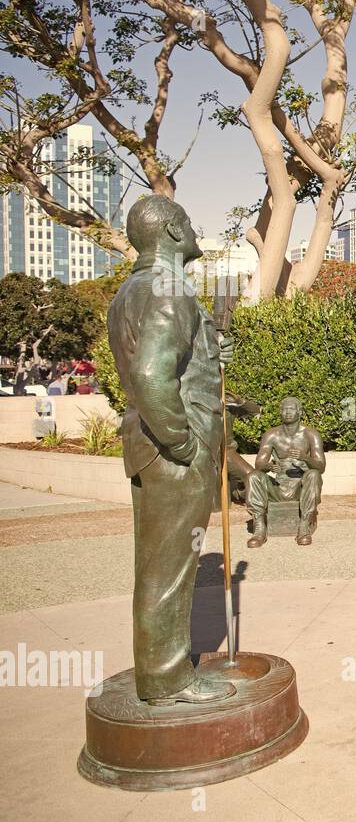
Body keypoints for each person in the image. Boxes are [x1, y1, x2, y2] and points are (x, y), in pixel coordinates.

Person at [108, 194, 235, 705]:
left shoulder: (133, 289)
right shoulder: (168, 288)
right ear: (174, 233)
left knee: (159, 564)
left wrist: (208, 347)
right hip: (172, 450)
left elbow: (166, 363)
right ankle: (166, 679)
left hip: (149, 444)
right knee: (170, 568)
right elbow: (151, 376)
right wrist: (185, 443)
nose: (195, 231)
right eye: (188, 222)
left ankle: (162, 671)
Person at [246, 397, 326, 548]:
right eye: (284, 409)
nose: (287, 412)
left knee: (314, 474)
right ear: (280, 413)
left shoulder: (311, 434)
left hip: (301, 486)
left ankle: (304, 525)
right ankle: (259, 527)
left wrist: (305, 458)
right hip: (278, 484)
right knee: (253, 476)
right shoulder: (271, 435)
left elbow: (321, 467)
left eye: (291, 409)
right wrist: (268, 466)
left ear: (300, 412)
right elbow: (258, 464)